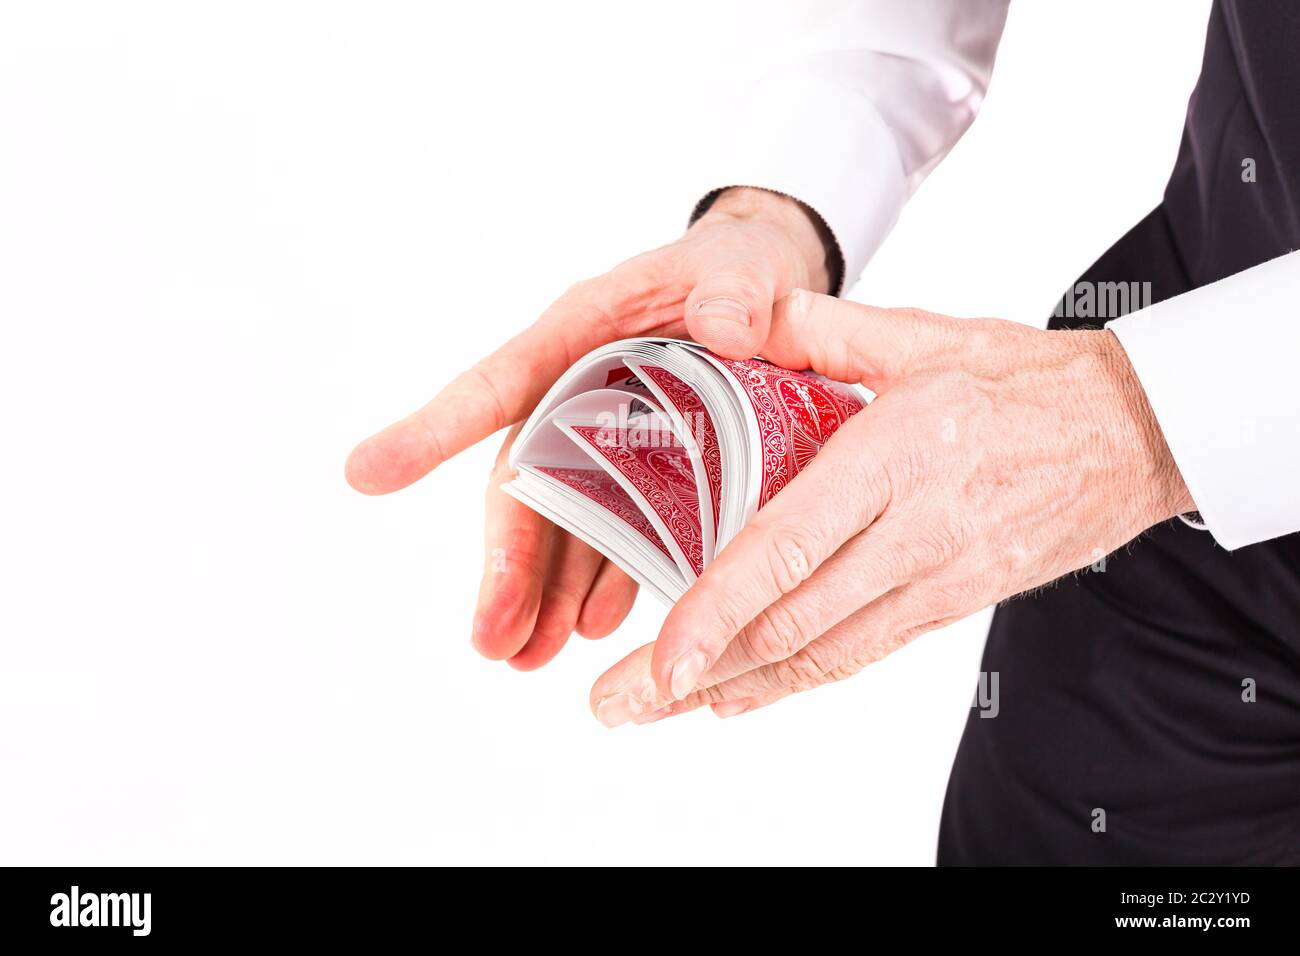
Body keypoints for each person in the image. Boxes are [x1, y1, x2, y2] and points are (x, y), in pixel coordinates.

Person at [345, 0, 1300, 864]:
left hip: (1150, 422)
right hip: (1178, 525)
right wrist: (781, 208)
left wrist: (1148, 419)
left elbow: (1155, 417)